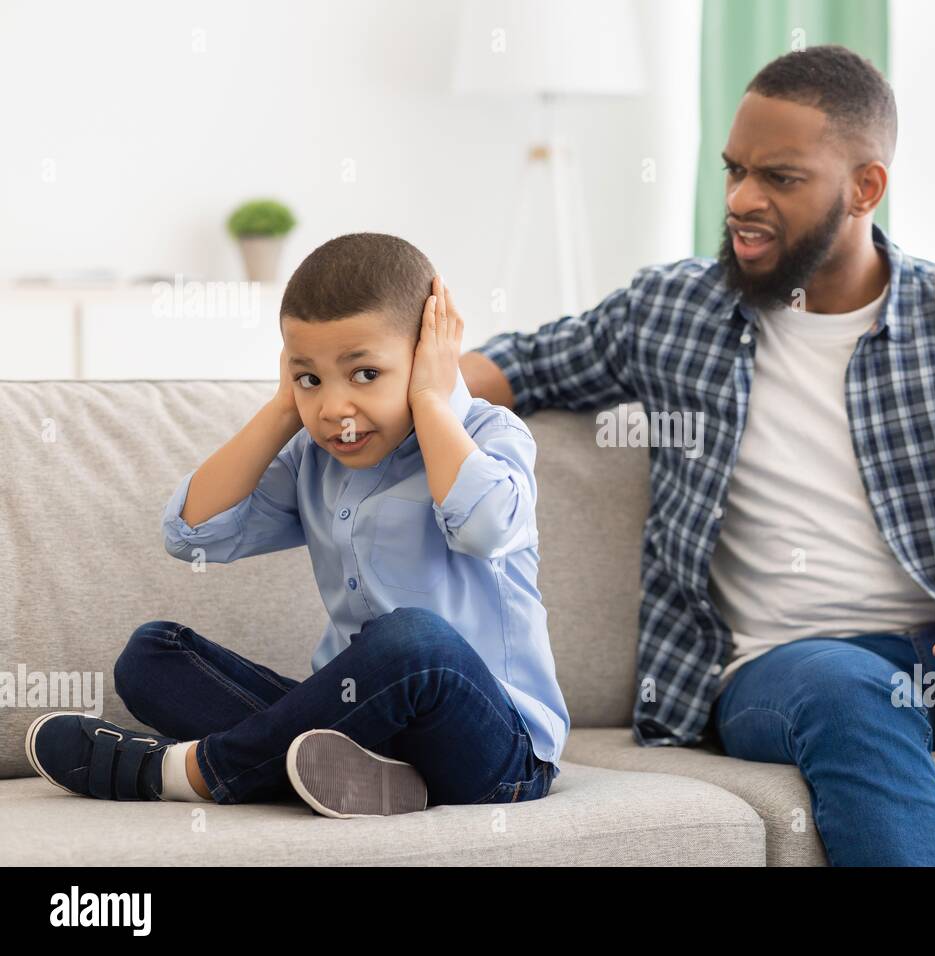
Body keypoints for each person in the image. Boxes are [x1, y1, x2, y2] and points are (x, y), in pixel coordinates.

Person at [459, 45, 935, 865]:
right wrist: (331, 387)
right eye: (734, 171)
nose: (741, 201)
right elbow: (511, 365)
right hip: (789, 670)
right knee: (850, 689)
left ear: (866, 187)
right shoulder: (671, 311)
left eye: (781, 178)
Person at [26, 233, 567, 818]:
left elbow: (484, 529)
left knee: (414, 639)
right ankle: (347, 773)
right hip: (360, 728)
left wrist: (433, 399)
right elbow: (190, 532)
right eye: (312, 379)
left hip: (500, 748)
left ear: (423, 356)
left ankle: (191, 771)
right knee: (151, 655)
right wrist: (286, 405)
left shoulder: (494, 437)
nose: (334, 407)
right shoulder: (316, 457)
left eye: (364, 374)